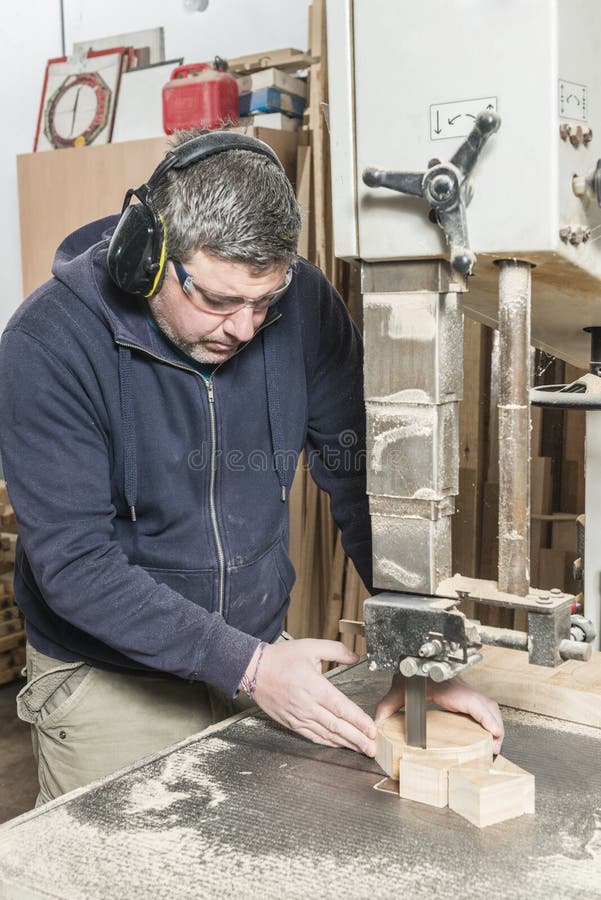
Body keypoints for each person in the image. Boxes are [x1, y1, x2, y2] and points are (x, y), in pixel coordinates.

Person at [0, 130, 503, 803]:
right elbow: (74, 565)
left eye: (263, 302)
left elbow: (365, 481)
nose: (243, 327)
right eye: (217, 301)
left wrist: (421, 648)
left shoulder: (303, 305)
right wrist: (252, 668)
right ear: (147, 257)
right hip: (110, 677)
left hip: (256, 645)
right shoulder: (48, 343)